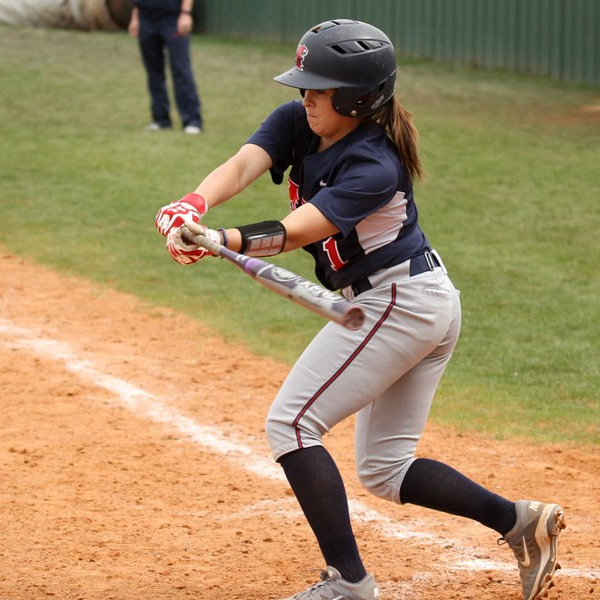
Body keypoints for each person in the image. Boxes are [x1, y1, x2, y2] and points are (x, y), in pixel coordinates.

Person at [154, 19, 565, 600]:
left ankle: (350, 584)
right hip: (410, 298)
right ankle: (521, 522)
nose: (306, 96)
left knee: (292, 425)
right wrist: (191, 204)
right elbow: (245, 163)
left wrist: (222, 238)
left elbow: (300, 231)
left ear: (358, 98)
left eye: (320, 88)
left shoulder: (376, 163)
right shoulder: (299, 121)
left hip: (400, 301)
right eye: (305, 84)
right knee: (385, 469)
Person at [128, 0, 203, 134]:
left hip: (173, 18)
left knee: (181, 69)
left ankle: (192, 120)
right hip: (146, 18)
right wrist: (135, 18)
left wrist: (185, 13)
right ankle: (160, 119)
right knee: (153, 72)